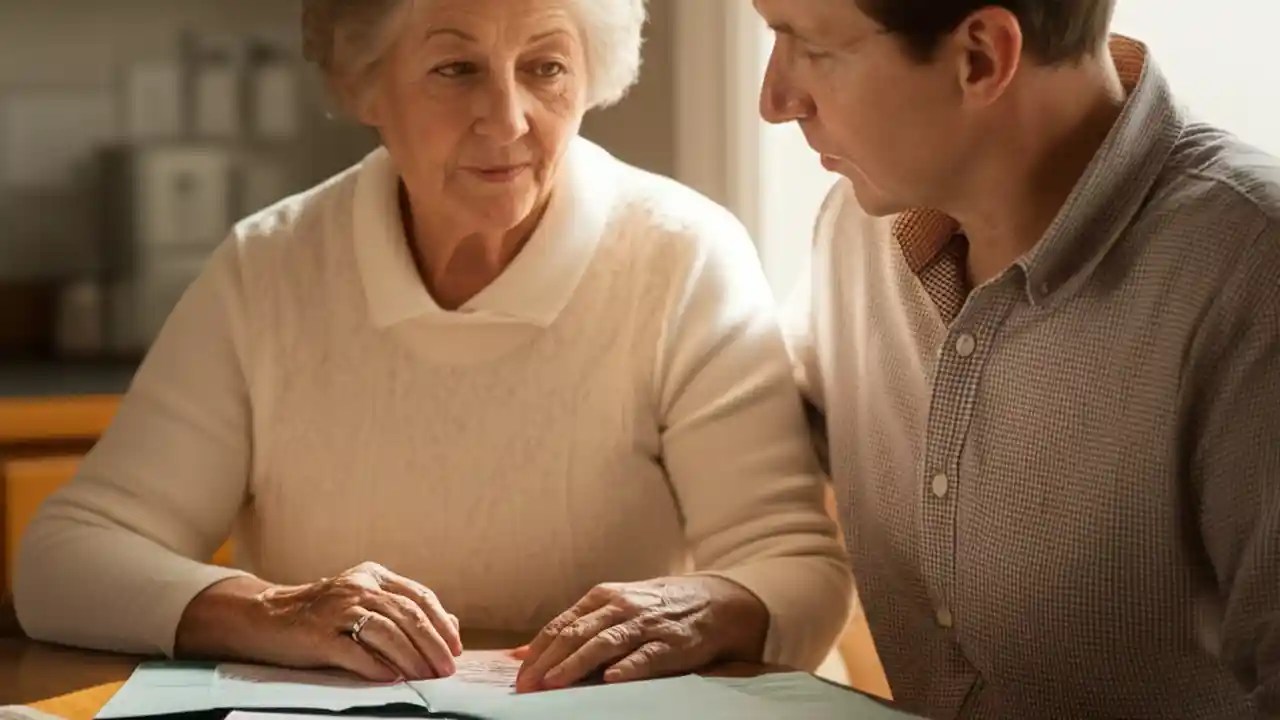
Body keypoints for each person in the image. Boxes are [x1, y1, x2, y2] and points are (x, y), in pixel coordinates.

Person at [15, 0, 853, 691]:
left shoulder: (683, 255)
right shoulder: (270, 267)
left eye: (546, 67)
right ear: (364, 83)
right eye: (456, 70)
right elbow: (65, 561)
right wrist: (272, 612)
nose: (509, 117)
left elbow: (794, 571)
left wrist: (705, 604)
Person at [754, 0, 1280, 716]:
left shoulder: (1251, 277)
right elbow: (771, 423)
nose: (775, 101)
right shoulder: (858, 230)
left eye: (809, 47)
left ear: (981, 56)